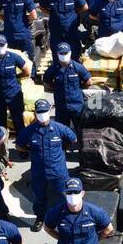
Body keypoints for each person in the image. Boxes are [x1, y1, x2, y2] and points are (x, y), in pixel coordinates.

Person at [16, 99, 75, 232]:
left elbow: (73, 139)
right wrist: (31, 151)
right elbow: (19, 146)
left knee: (63, 195)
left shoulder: (59, 128)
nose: (42, 114)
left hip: (58, 170)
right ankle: (40, 218)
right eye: (39, 112)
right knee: (39, 196)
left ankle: (64, 218)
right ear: (35, 113)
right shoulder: (29, 131)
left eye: (44, 111)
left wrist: (62, 148)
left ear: (49, 111)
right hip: (39, 171)